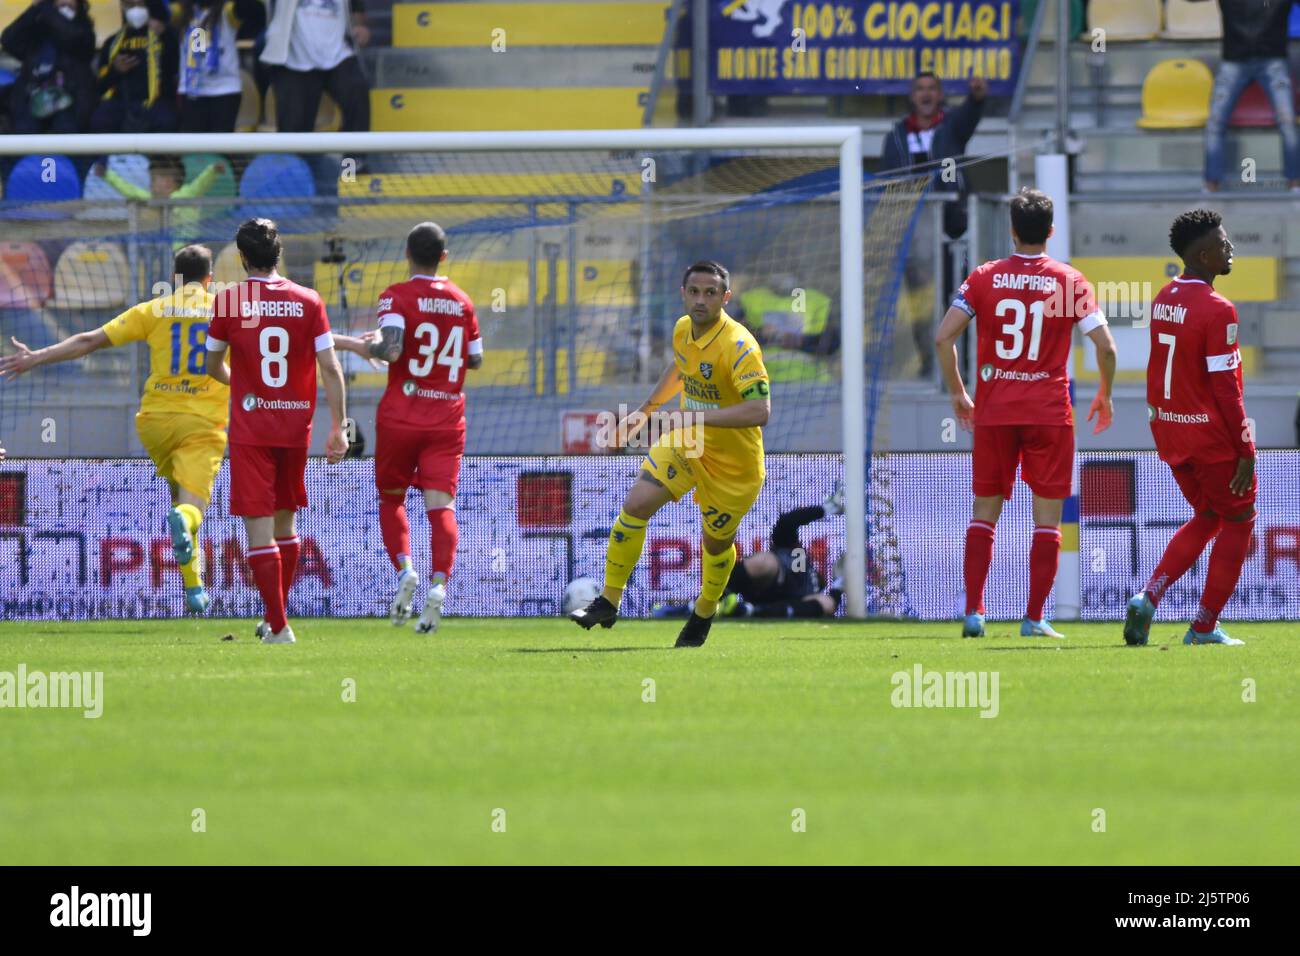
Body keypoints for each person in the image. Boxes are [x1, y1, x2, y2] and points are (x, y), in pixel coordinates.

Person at [934, 188, 1118, 639]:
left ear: (1011, 230)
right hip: (1049, 413)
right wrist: (1105, 394)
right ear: (1050, 231)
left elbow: (943, 339)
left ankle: (974, 612)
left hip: (995, 412)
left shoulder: (984, 277)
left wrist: (959, 393)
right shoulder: (1069, 281)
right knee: (1048, 520)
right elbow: (1106, 346)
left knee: (984, 512)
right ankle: (1034, 618)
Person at [0, 246, 226, 612]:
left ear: (174, 278)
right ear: (210, 279)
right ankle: (187, 542)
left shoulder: (154, 309)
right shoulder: (224, 311)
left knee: (180, 500)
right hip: (202, 424)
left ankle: (194, 590)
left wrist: (35, 358)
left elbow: (89, 341)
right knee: (191, 507)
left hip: (155, 421)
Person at [569, 260, 771, 648]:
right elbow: (681, 368)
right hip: (688, 443)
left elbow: (760, 411)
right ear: (683, 294)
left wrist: (694, 414)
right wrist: (642, 414)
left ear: (725, 298)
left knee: (714, 545)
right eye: (694, 292)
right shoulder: (683, 330)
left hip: (734, 468)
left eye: (711, 293)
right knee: (636, 504)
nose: (701, 300)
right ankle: (609, 600)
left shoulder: (740, 346)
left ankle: (705, 612)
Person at [204, 218, 351, 645]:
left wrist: (244, 385)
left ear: (243, 258)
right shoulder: (309, 300)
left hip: (252, 428)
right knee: (285, 527)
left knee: (259, 529)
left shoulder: (229, 302)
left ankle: (281, 626)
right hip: (295, 427)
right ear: (279, 254)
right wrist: (339, 429)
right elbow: (331, 367)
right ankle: (275, 619)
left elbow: (212, 366)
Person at [333, 223, 483, 634]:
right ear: (444, 257)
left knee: (391, 499)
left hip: (401, 415)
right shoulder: (462, 301)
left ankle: (405, 571)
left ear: (406, 253)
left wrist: (351, 342)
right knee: (441, 507)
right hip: (447, 418)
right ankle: (438, 585)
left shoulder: (396, 296)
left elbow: (392, 349)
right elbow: (475, 359)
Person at [1124, 210, 1256, 647]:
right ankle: (1203, 626)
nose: (1229, 247)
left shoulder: (1165, 296)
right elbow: (1225, 390)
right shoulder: (1219, 309)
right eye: (1222, 243)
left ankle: (1149, 595)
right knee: (1238, 520)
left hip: (1170, 432)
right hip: (1211, 438)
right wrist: (1245, 445)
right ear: (1203, 255)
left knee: (1207, 515)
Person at [882, 72, 987, 378]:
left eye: (932, 89)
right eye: (920, 89)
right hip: (914, 237)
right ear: (912, 96)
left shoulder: (952, 126)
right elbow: (888, 182)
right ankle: (931, 364)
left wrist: (978, 96)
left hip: (952, 234)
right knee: (923, 306)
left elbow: (972, 112)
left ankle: (963, 367)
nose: (926, 94)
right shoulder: (897, 135)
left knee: (957, 302)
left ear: (940, 95)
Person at [652, 485, 845, 620]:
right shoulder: (799, 560)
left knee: (827, 604)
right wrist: (826, 509)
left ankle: (747, 612)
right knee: (764, 561)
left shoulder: (814, 589)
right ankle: (695, 608)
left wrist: (839, 584)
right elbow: (788, 522)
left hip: (789, 604)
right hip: (766, 587)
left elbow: (830, 603)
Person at [1191, 0, 1300, 192]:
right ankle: (1211, 183)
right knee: (1215, 122)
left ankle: (1295, 182)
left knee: (1288, 121)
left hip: (1272, 60)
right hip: (1235, 61)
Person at [259, 0, 370, 133]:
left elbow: (357, 9)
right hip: (293, 57)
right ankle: (296, 153)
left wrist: (359, 27)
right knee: (293, 129)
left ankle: (355, 153)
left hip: (339, 54)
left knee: (358, 101)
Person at [1, 0, 97, 135]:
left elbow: (69, 34)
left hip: (70, 103)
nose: (65, 2)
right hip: (32, 99)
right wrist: (33, 8)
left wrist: (45, 7)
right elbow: (8, 39)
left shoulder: (84, 31)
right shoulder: (39, 32)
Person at [94, 155, 226, 248]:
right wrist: (107, 175)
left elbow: (200, 184)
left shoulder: (186, 195)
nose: (150, 184)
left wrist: (212, 171)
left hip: (187, 247)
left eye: (153, 180)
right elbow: (128, 189)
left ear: (169, 182)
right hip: (160, 249)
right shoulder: (149, 198)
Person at [178, 0, 267, 132]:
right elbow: (158, 12)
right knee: (194, 147)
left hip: (225, 90)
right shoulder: (182, 12)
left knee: (220, 146)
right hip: (191, 89)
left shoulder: (228, 11)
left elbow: (254, 8)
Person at [91, 0, 178, 133]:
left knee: (167, 120)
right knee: (100, 119)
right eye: (130, 5)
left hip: (157, 101)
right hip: (120, 102)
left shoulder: (166, 35)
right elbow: (100, 85)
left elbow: (175, 71)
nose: (135, 10)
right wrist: (115, 71)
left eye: (140, 5)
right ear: (123, 8)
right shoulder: (112, 42)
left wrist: (166, 32)